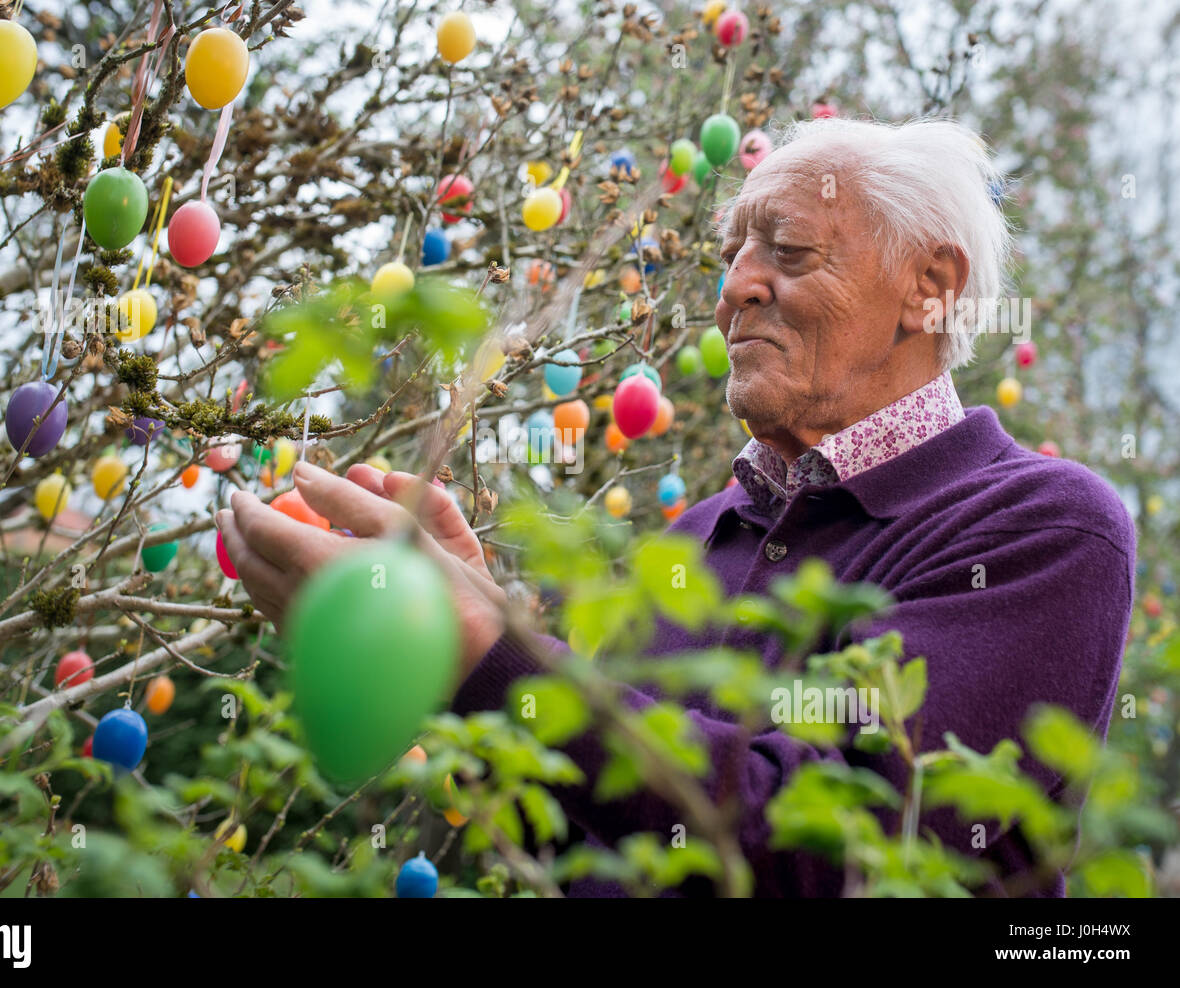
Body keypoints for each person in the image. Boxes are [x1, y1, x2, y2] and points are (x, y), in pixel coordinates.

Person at [217, 117, 1135, 897]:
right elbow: (571, 845)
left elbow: (850, 854)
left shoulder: (1040, 528)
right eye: (736, 250)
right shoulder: (690, 542)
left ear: (928, 289)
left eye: (791, 251)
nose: (736, 284)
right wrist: (470, 645)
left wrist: (483, 643)